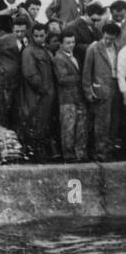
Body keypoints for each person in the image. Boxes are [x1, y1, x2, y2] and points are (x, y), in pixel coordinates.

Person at [19, 25, 58, 161]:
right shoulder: (29, 51)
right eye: (36, 36)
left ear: (46, 34)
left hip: (47, 94)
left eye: (42, 35)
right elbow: (30, 74)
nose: (39, 38)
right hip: (37, 95)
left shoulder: (45, 50)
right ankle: (35, 154)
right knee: (36, 124)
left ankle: (42, 153)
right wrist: (43, 89)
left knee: (43, 123)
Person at [85, 23, 121, 161]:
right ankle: (99, 152)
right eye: (105, 38)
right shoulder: (94, 48)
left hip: (115, 86)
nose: (107, 41)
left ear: (116, 38)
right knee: (101, 122)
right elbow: (87, 72)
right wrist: (88, 91)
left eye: (110, 39)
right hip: (100, 88)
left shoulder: (118, 48)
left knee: (114, 120)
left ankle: (109, 150)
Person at [52, 31, 88, 161]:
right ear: (60, 44)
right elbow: (62, 79)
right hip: (67, 99)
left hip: (77, 97)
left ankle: (80, 154)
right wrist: (82, 78)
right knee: (69, 128)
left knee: (80, 127)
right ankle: (69, 155)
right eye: (67, 43)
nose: (71, 45)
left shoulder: (73, 56)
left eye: (73, 42)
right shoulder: (59, 58)